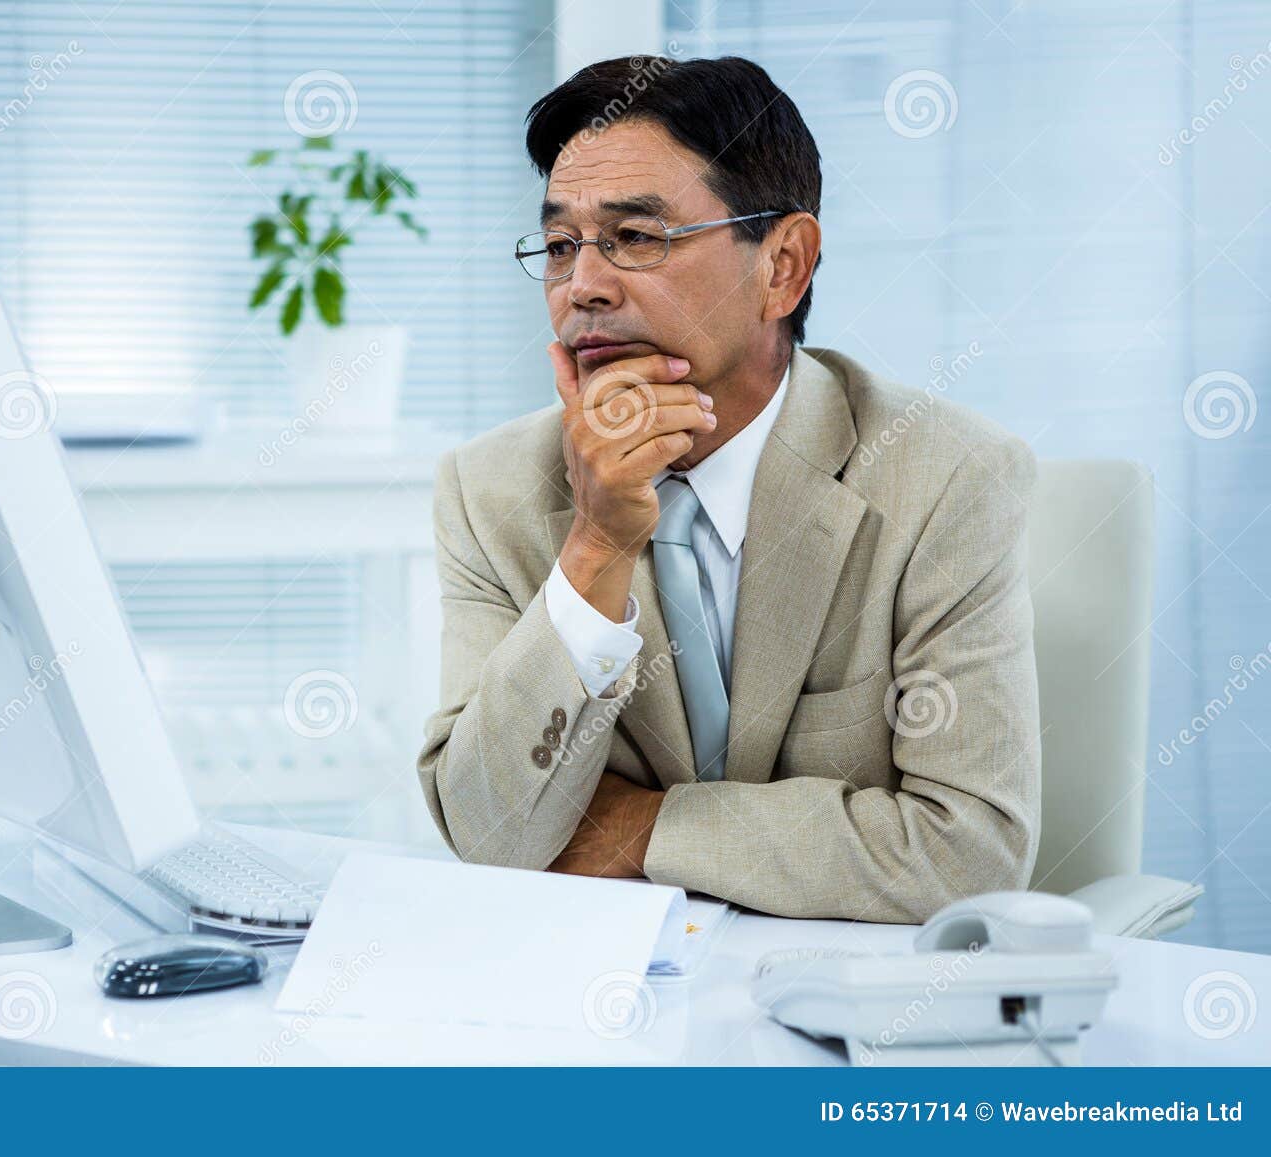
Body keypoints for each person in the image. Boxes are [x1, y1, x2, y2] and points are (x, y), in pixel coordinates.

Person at [416, 55, 1040, 923]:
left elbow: (968, 856)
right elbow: (490, 834)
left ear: (783, 265)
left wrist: (636, 828)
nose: (582, 287)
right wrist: (596, 549)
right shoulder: (489, 491)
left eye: (636, 237)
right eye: (560, 246)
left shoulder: (947, 476)